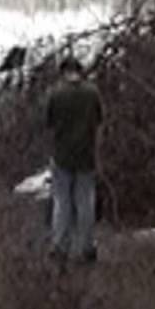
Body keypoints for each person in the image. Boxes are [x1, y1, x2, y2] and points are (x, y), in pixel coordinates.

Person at [44, 56, 104, 263]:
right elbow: (99, 122)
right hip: (86, 155)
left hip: (62, 156)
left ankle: (60, 247)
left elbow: (48, 124)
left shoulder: (55, 93)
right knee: (85, 202)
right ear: (80, 71)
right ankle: (87, 247)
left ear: (63, 72)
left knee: (62, 202)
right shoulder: (92, 93)